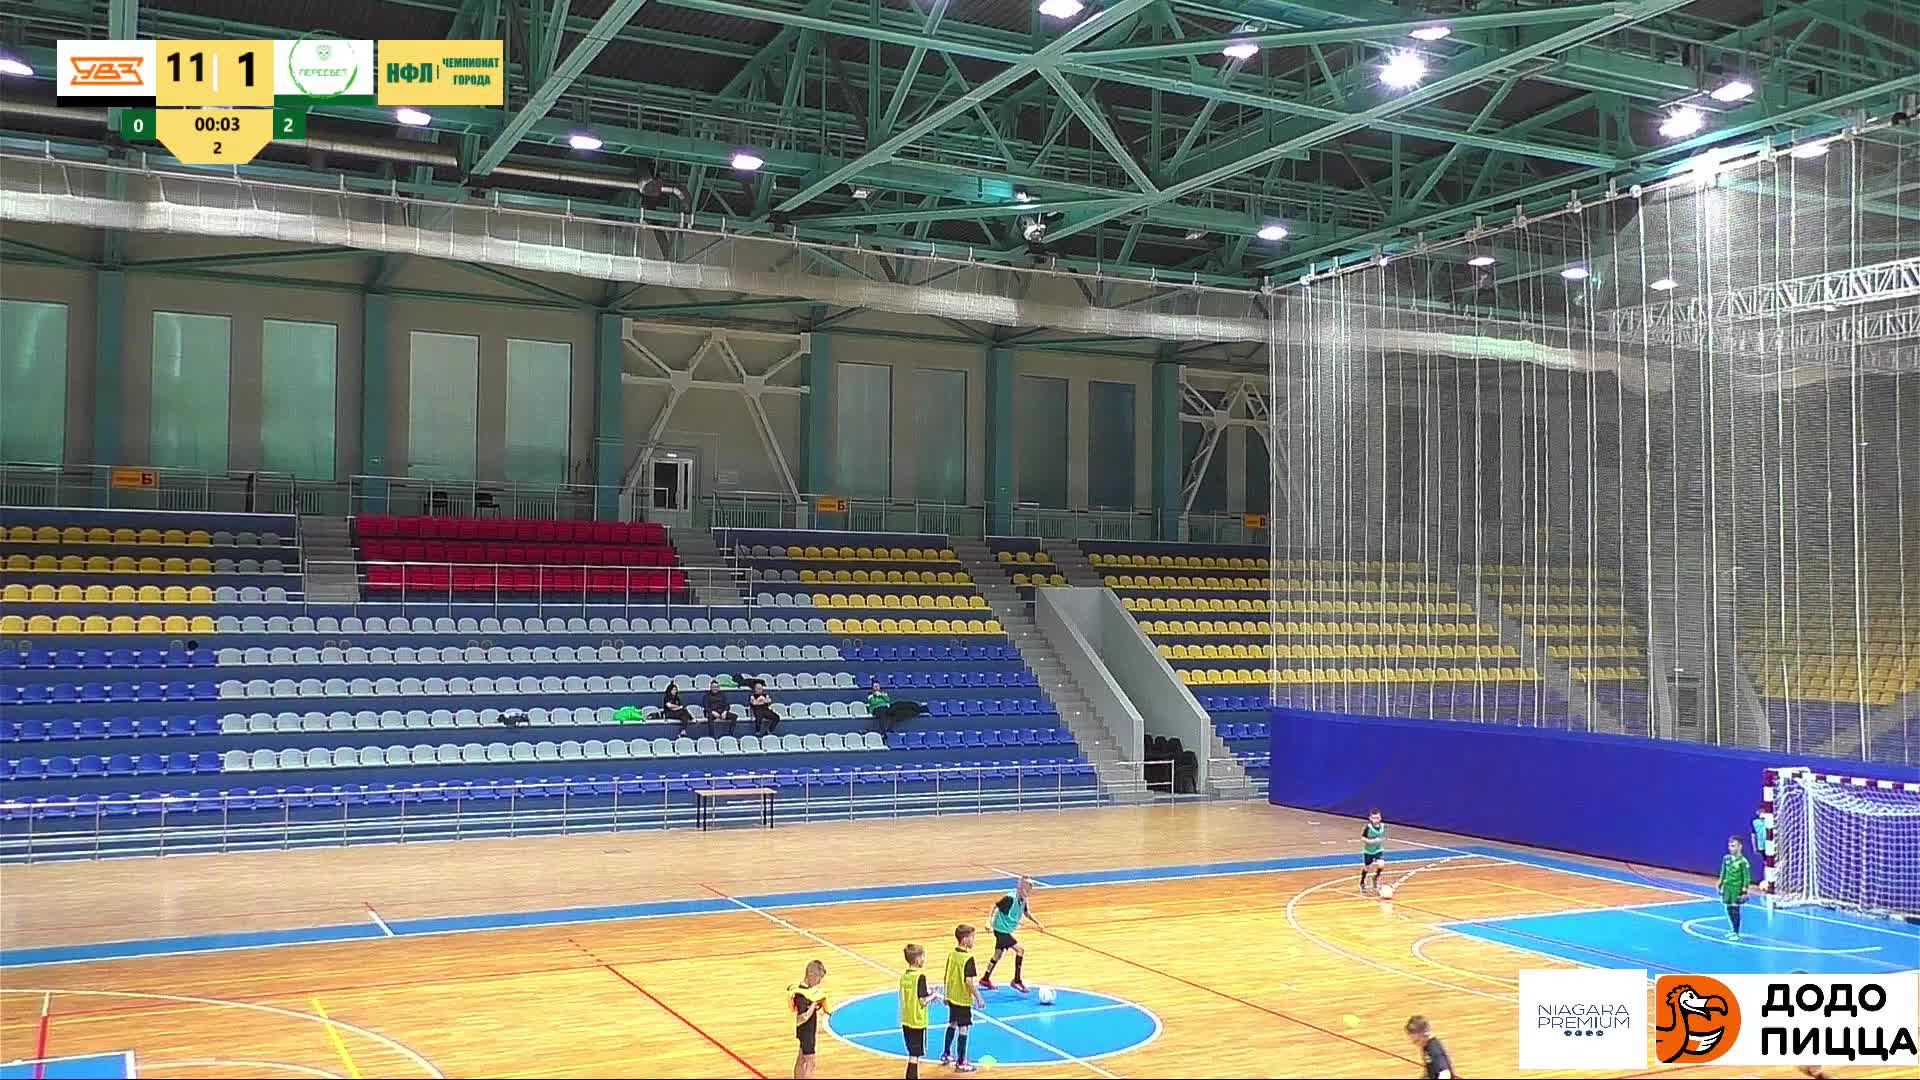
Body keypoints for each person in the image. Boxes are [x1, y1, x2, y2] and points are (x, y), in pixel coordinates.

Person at [978, 875, 1044, 993]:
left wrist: (1038, 923)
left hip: (1006, 930)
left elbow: (1026, 913)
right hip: (1000, 930)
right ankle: (1016, 981)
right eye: (1027, 889)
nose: (1029, 892)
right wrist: (988, 922)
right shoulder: (1010, 898)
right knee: (1020, 950)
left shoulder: (1023, 899)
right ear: (1020, 888)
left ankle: (985, 979)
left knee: (997, 955)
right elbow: (994, 906)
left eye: (1030, 890)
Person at [941, 924, 983, 1073]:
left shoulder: (952, 955)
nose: (974, 940)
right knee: (963, 1028)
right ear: (965, 939)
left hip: (952, 996)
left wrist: (946, 994)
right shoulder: (968, 958)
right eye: (972, 937)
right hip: (962, 999)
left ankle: (946, 1054)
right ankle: (961, 1062)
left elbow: (947, 975)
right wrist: (979, 997)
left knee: (952, 1023)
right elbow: (969, 982)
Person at [898, 943, 940, 1080]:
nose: (924, 959)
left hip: (906, 1019)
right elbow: (922, 1001)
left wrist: (928, 993)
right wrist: (933, 995)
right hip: (917, 1020)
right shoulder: (920, 976)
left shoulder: (904, 977)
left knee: (912, 1053)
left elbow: (912, 994)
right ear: (917, 959)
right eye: (922, 957)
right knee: (914, 1055)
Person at [788, 959, 828, 1079]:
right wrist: (814, 1004)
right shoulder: (801, 994)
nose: (818, 982)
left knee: (801, 1059)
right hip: (806, 1032)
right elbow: (802, 1017)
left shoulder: (808, 992)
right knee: (811, 1063)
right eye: (818, 979)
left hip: (807, 1030)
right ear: (811, 975)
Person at [1720, 835, 1752, 941]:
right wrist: (1720, 884)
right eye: (1729, 846)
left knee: (1735, 910)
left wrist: (1744, 890)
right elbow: (1723, 872)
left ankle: (1736, 932)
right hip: (1727, 887)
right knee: (1728, 908)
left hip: (1736, 888)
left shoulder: (1743, 861)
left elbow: (1746, 877)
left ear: (1740, 847)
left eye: (1733, 846)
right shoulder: (1726, 859)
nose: (1730, 848)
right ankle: (1733, 930)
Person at [1405, 1015, 1453, 1080]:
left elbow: (1445, 1073)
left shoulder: (1434, 1049)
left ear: (1425, 1034)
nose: (1415, 1044)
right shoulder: (1425, 1046)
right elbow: (1429, 1070)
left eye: (1417, 1041)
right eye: (1413, 1042)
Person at [1360, 808, 1387, 895]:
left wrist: (1380, 840)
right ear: (1370, 818)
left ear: (1380, 818)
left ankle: (1375, 877)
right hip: (1369, 851)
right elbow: (1363, 838)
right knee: (1366, 868)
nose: (1376, 820)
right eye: (1374, 818)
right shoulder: (1368, 827)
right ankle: (1362, 882)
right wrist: (1371, 841)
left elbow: (1383, 837)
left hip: (1378, 850)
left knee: (1381, 864)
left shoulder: (1382, 826)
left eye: (1377, 818)